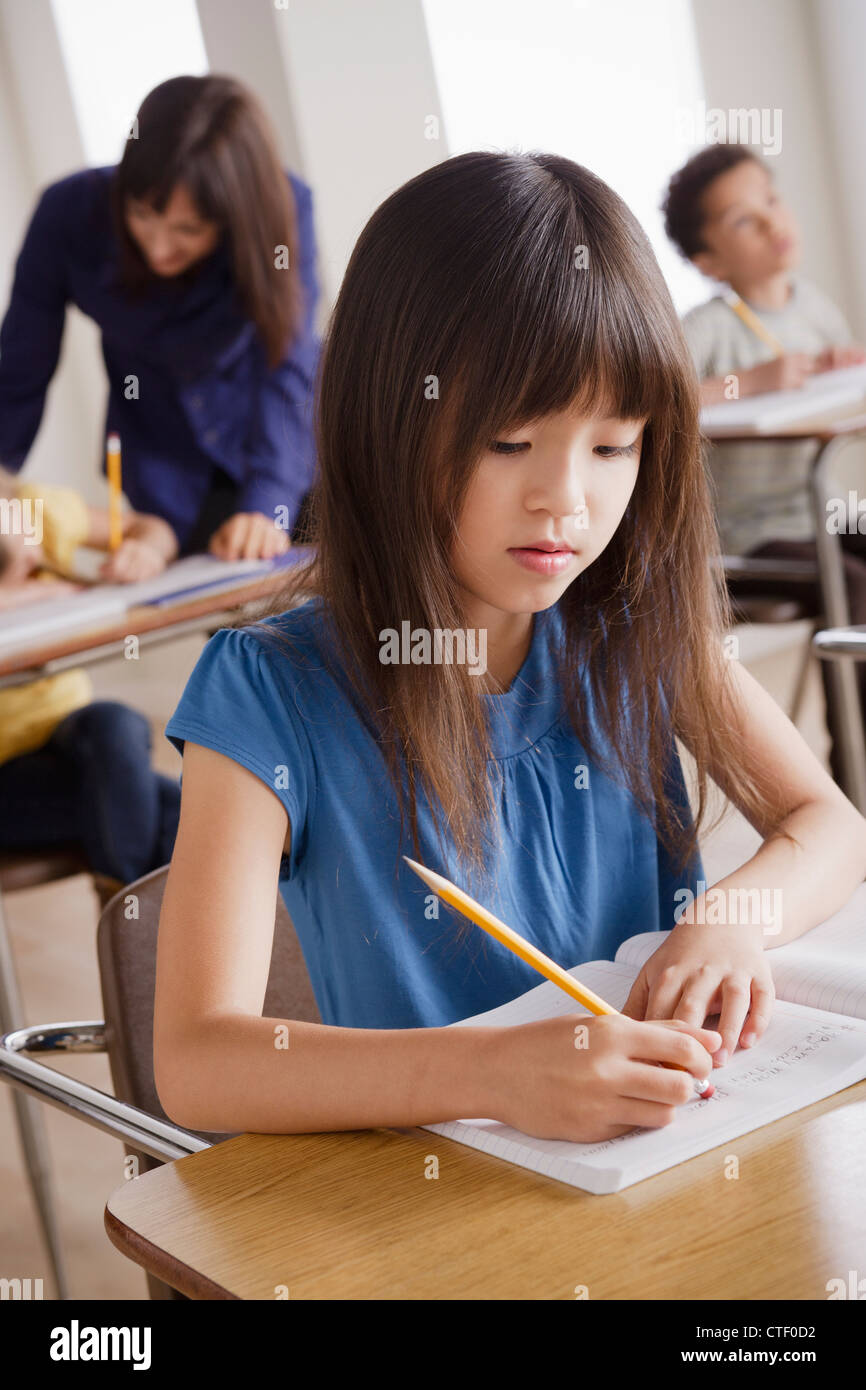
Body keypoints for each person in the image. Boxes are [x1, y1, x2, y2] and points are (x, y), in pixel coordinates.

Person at [152, 152, 866, 1146]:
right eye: (507, 441)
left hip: (662, 1160)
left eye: (612, 444)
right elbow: (197, 1061)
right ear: (384, 422)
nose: (564, 501)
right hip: (439, 1205)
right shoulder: (270, 690)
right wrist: (492, 1072)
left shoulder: (630, 629)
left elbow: (825, 822)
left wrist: (736, 915)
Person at [0, 74, 320, 561]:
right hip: (164, 473)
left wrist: (267, 504)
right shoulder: (67, 214)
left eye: (188, 229)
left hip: (288, 455)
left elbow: (289, 363)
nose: (158, 247)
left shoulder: (285, 208)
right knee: (232, 631)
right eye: (143, 215)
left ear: (235, 218)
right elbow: (20, 368)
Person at [663, 142, 866, 785]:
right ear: (708, 260)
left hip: (820, 515)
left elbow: (837, 371)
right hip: (752, 541)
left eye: (772, 202)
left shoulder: (810, 306)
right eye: (746, 220)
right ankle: (856, 776)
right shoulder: (711, 327)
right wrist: (752, 382)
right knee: (854, 585)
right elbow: (661, 401)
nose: (775, 222)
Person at [0, 474, 181, 895]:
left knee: (116, 725)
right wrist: (29, 598)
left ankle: (136, 937)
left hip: (64, 737)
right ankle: (140, 943)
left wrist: (145, 550)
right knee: (177, 811)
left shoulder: (33, 510)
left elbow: (152, 529)